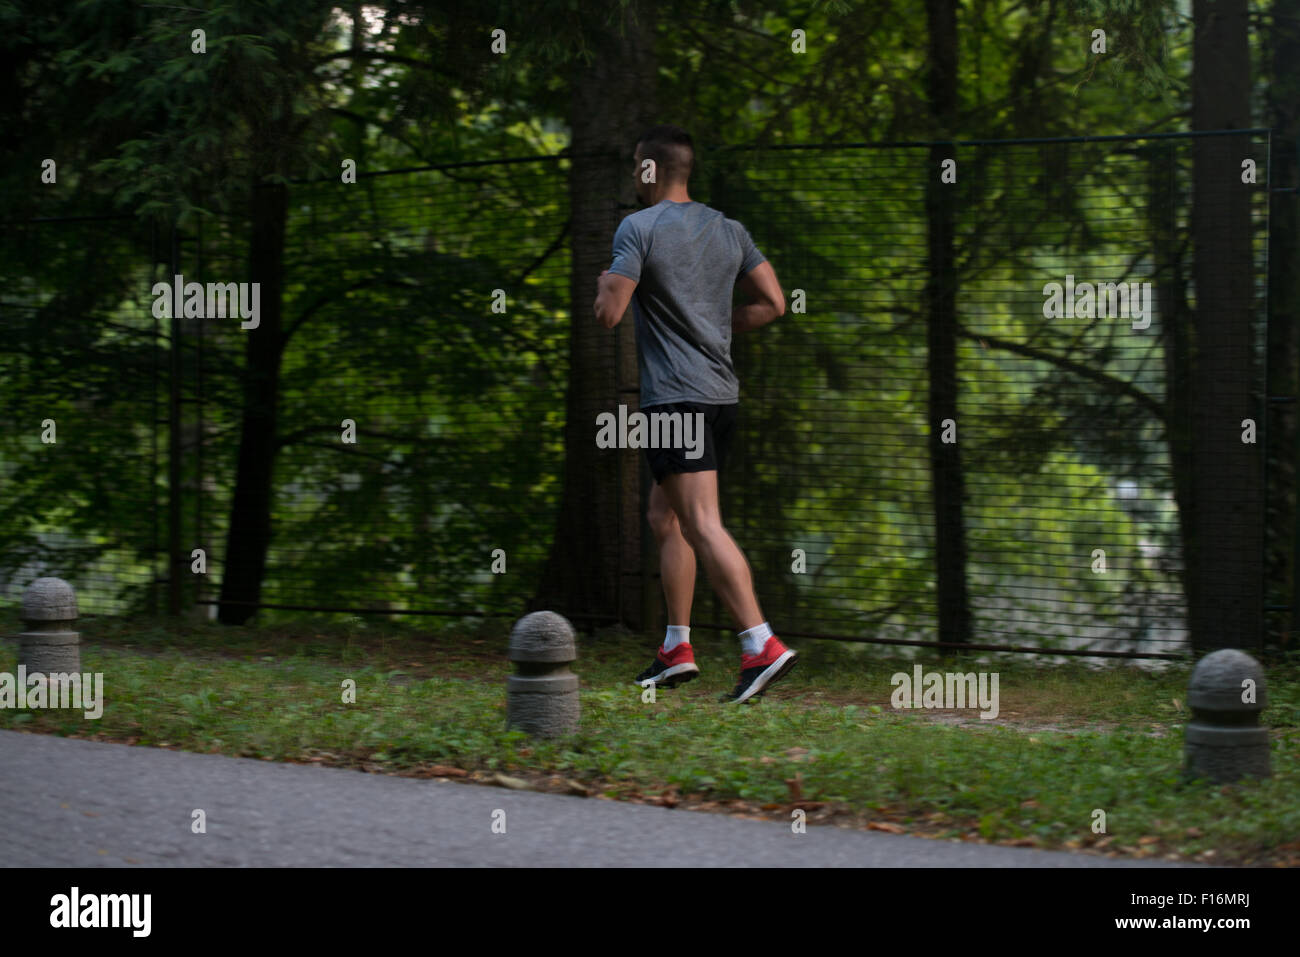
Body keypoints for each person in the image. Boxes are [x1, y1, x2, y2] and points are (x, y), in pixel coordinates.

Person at [592, 123, 797, 704]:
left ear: (651, 170)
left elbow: (609, 314)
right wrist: (714, 325)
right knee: (667, 518)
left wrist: (606, 284)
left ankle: (761, 644)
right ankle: (676, 649)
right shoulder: (729, 230)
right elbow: (774, 304)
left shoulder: (639, 227)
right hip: (719, 397)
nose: (635, 175)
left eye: (637, 165)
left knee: (702, 522)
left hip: (674, 398)